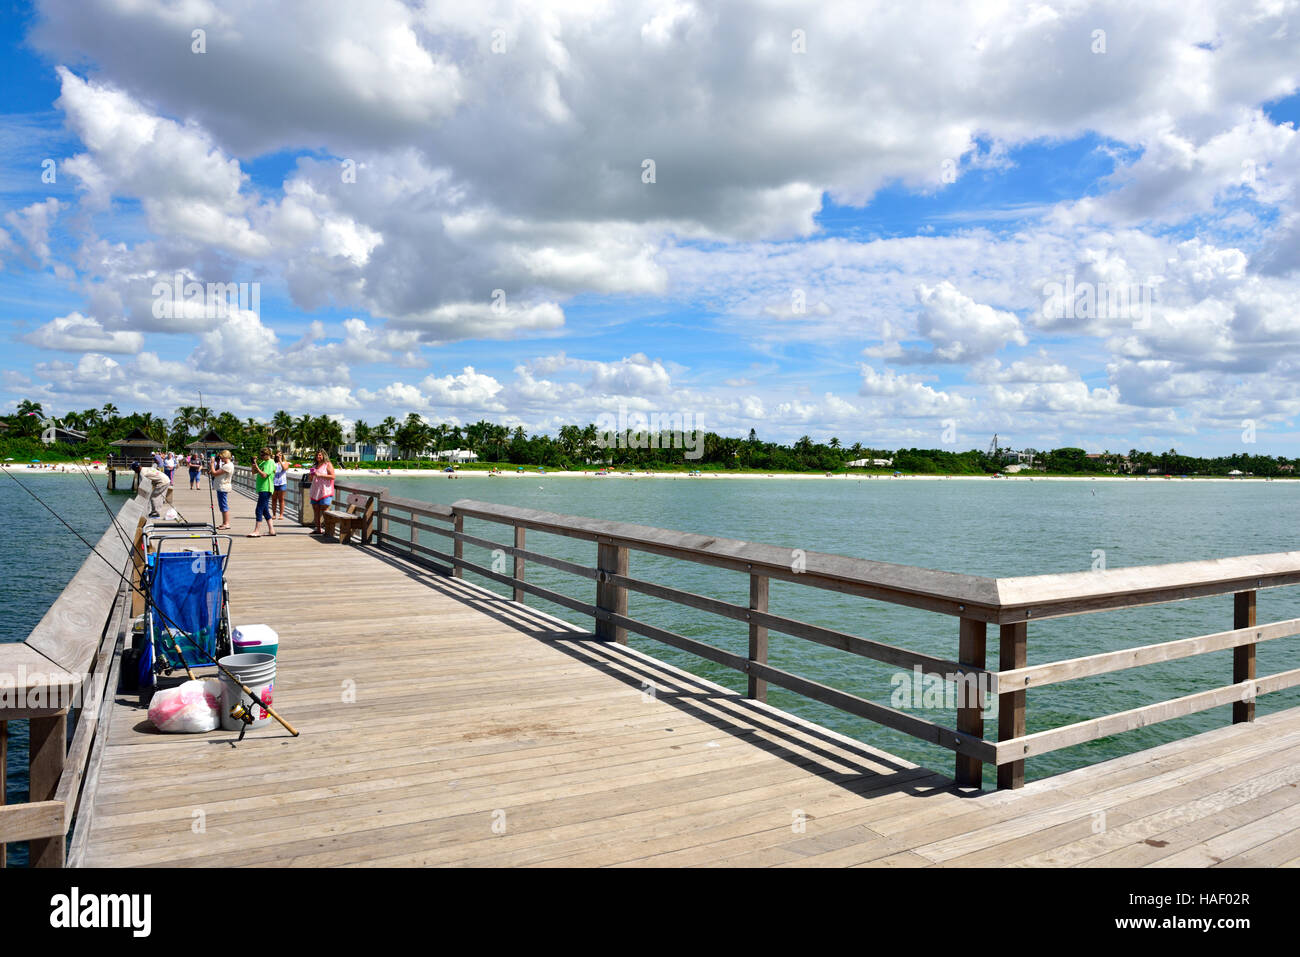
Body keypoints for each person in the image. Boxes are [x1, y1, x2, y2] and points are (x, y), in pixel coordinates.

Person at [249, 448, 277, 537]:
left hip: (266, 488)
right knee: (265, 511)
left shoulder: (270, 462)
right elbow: (254, 472)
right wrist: (254, 463)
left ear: (267, 454)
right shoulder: (263, 462)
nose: (261, 457)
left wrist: (257, 466)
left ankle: (256, 531)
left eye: (263, 455)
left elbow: (264, 475)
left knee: (259, 509)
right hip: (261, 488)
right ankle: (272, 530)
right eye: (260, 455)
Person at [308, 448, 335, 534]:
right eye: (317, 455)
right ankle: (318, 529)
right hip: (315, 490)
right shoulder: (314, 466)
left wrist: (320, 475)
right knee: (315, 509)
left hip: (325, 490)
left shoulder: (328, 464)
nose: (318, 456)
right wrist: (311, 475)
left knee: (325, 510)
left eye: (320, 455)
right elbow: (310, 480)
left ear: (323, 455)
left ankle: (328, 530)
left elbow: (333, 476)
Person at [209, 450, 235, 529]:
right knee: (222, 505)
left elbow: (214, 473)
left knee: (223, 505)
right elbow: (216, 472)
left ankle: (226, 523)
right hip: (221, 487)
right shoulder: (226, 465)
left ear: (225, 457)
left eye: (221, 457)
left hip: (223, 487)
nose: (220, 458)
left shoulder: (227, 466)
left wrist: (212, 464)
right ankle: (224, 522)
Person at [272, 451, 288, 520]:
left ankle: (281, 515)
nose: (279, 456)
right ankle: (274, 514)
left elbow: (284, 468)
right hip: (274, 483)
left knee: (281, 499)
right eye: (278, 455)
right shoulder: (273, 463)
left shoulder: (285, 463)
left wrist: (280, 461)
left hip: (282, 483)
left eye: (280, 455)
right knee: (274, 499)